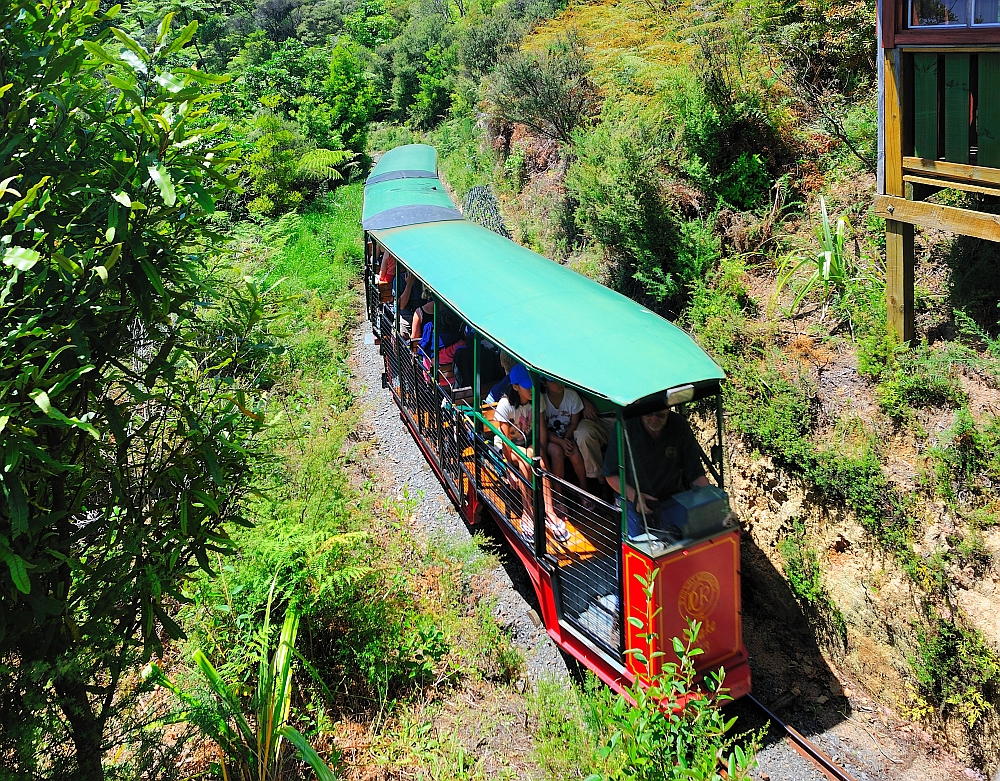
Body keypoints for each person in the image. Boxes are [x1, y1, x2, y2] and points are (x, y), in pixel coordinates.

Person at [602, 408, 709, 539]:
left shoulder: (679, 425)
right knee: (637, 546)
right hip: (632, 501)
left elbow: (696, 475)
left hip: (672, 498)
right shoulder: (625, 426)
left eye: (660, 415)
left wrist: (713, 504)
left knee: (692, 538)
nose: (654, 419)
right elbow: (610, 474)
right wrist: (634, 496)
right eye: (648, 413)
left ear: (668, 410)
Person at [494, 365, 570, 544]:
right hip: (511, 447)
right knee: (525, 461)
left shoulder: (537, 399)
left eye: (532, 385)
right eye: (527, 386)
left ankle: (549, 511)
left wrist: (539, 453)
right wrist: (508, 468)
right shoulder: (506, 405)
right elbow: (506, 442)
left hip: (528, 443)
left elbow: (541, 432)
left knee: (539, 462)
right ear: (515, 387)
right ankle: (527, 512)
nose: (531, 390)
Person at [543, 378, 587, 488]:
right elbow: (543, 429)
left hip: (568, 435)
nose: (559, 384)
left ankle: (584, 488)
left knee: (574, 453)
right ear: (545, 383)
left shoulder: (572, 396)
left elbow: (573, 423)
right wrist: (560, 442)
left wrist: (565, 441)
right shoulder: (542, 399)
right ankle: (558, 495)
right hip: (551, 439)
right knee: (557, 452)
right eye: (554, 381)